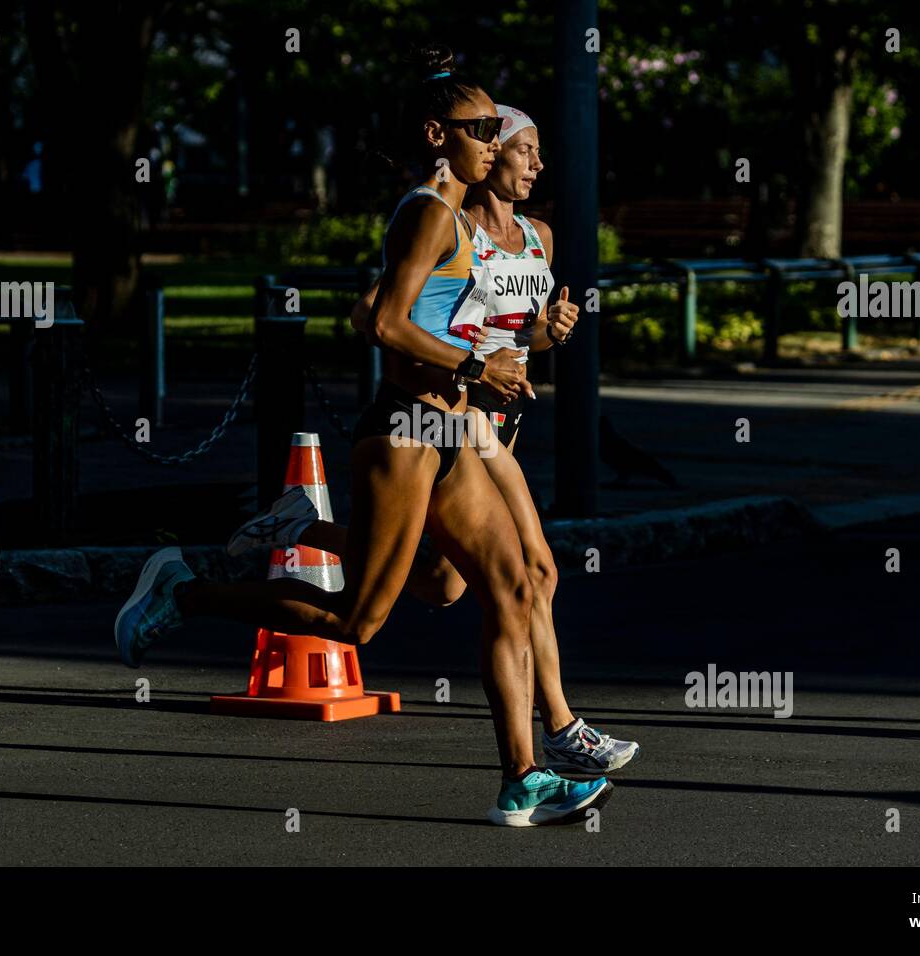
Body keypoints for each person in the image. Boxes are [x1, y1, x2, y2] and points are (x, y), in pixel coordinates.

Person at [115, 47, 613, 827]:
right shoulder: (425, 212)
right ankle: (185, 590)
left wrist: (519, 347)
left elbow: (446, 319)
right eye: (476, 127)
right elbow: (382, 323)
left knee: (507, 589)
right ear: (434, 135)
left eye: (493, 126)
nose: (491, 138)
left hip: (459, 433)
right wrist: (477, 362)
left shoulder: (467, 221)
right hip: (407, 434)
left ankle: (524, 777)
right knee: (358, 623)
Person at [232, 105, 639, 775]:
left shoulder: (539, 236)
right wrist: (468, 365)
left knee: (442, 586)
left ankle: (306, 525)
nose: (537, 164)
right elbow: (376, 312)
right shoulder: (453, 231)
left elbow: (525, 335)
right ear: (492, 156)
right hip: (461, 419)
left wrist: (551, 331)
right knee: (536, 571)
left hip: (501, 419)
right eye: (524, 149)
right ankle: (561, 727)